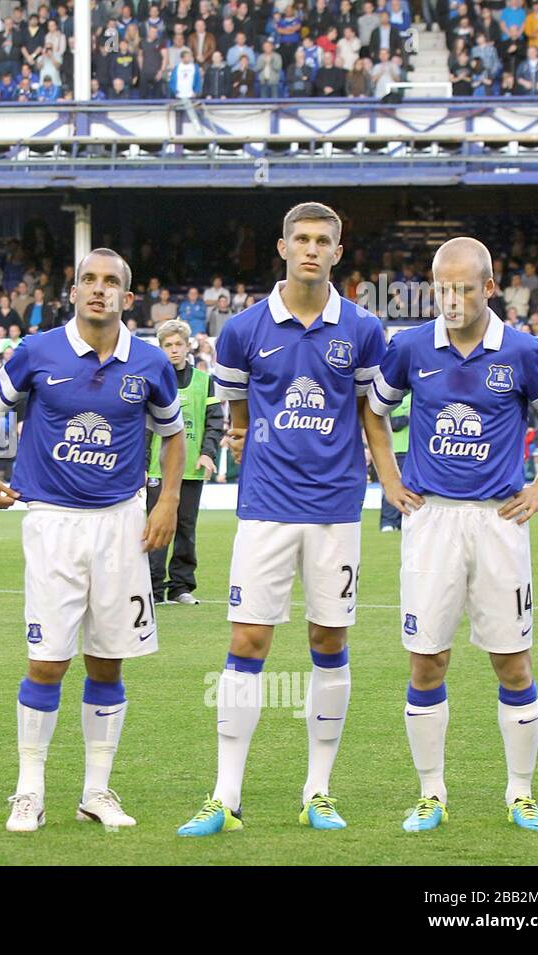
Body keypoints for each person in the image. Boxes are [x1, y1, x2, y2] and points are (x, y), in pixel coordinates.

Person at [177, 202, 394, 837]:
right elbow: (237, 413)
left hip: (335, 512)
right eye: (300, 238)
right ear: (282, 247)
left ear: (337, 250)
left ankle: (318, 791)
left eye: (322, 240)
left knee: (329, 642)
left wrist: (391, 481)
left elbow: (369, 414)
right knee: (247, 642)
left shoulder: (363, 329)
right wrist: (245, 436)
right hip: (266, 511)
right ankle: (225, 795)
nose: (310, 248)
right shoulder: (244, 330)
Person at [368, 236, 538, 832]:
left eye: (465, 287)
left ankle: (520, 792)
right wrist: (388, 476)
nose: (454, 299)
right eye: (443, 288)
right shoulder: (410, 347)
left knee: (513, 662)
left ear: (490, 287)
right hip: (431, 520)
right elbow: (375, 410)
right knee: (427, 660)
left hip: (497, 521)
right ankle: (431, 793)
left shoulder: (522, 351)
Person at [0, 248, 185, 833]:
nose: (98, 289)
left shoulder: (149, 363)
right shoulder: (37, 351)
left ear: (127, 297)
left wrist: (166, 500)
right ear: (73, 290)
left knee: (108, 662)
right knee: (47, 662)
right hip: (52, 523)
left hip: (120, 523)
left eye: (111, 282)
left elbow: (172, 436)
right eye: (89, 280)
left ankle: (96, 790)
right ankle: (29, 791)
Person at [147, 319, 221, 605]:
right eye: (168, 345)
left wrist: (207, 453)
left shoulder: (205, 382)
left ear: (188, 346)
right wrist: (140, 466)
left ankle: (180, 587)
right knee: (155, 528)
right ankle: (152, 589)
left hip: (191, 469)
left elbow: (214, 421)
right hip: (157, 468)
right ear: (161, 348)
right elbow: (143, 428)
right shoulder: (153, 381)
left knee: (186, 528)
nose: (174, 350)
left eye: (179, 344)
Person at [379, 391, 412, 532]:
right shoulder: (393, 396)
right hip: (396, 451)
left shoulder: (417, 396)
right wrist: (407, 417)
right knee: (394, 485)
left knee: (411, 489)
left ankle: (402, 521)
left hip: (414, 452)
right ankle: (388, 522)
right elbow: (389, 424)